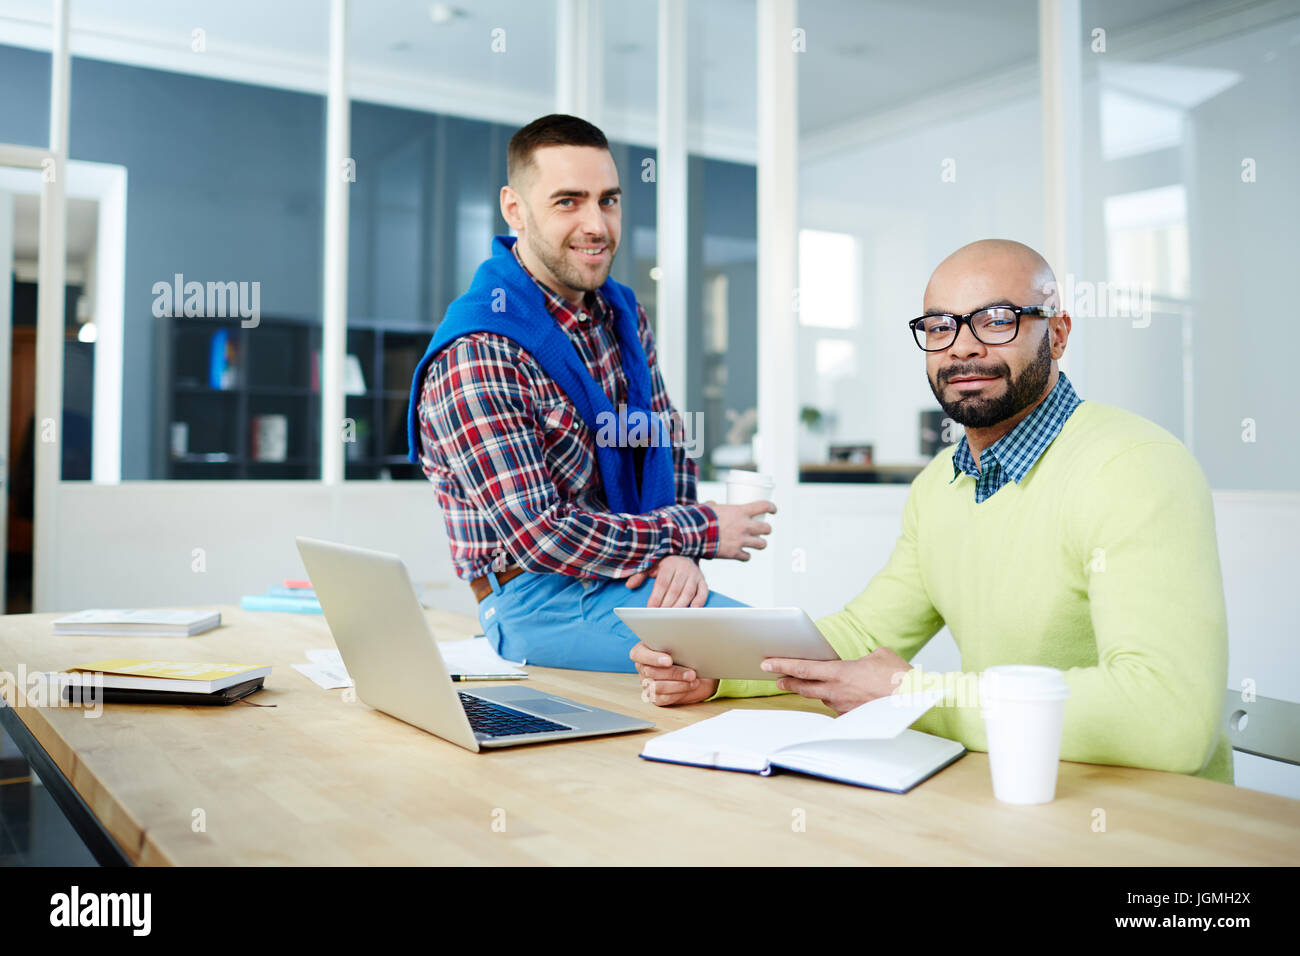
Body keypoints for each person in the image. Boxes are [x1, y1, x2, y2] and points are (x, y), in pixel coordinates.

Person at [632, 238, 1232, 783]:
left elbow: (1168, 716)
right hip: (1009, 799)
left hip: (1152, 821)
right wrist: (718, 672)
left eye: (997, 320)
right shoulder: (939, 485)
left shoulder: (1134, 466)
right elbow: (865, 634)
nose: (964, 346)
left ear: (1059, 333)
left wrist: (913, 695)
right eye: (940, 326)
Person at [407, 114, 773, 673]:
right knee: (773, 659)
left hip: (630, 573)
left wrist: (677, 554)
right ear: (515, 209)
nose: (596, 224)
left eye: (608, 200)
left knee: (787, 656)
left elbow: (666, 442)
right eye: (568, 202)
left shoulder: (621, 315)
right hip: (534, 602)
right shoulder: (480, 349)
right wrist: (699, 529)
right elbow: (540, 533)